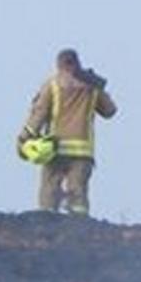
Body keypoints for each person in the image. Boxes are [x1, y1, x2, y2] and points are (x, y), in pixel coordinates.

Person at [17, 48, 117, 215]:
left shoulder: (52, 85)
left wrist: (24, 137)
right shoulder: (92, 87)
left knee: (49, 192)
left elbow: (39, 114)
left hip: (55, 150)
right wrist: (99, 88)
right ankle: (79, 226)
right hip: (83, 152)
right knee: (78, 194)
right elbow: (110, 111)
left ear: (59, 65)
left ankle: (46, 224)